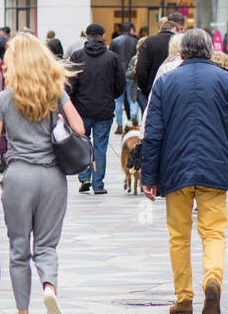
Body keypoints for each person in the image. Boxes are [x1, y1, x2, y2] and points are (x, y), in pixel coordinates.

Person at [140, 29, 228, 314]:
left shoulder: (165, 82)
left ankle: (184, 298)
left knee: (178, 236)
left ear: (181, 53)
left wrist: (148, 175)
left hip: (175, 168)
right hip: (215, 167)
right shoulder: (226, 80)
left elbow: (153, 134)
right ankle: (212, 280)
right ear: (208, 51)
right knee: (213, 232)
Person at [0, 33, 83, 314]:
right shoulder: (55, 92)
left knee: (19, 248)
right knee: (47, 246)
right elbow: (79, 127)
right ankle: (49, 288)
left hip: (19, 176)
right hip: (52, 177)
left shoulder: (3, 99)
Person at [67, 22, 122, 196]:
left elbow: (70, 83)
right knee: (100, 147)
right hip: (104, 110)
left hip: (82, 109)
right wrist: (110, 96)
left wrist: (73, 102)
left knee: (83, 144)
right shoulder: (112, 57)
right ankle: (98, 183)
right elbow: (119, 85)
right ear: (103, 36)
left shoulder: (77, 56)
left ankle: (84, 178)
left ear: (87, 36)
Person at [135, 12, 184, 105]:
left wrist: (147, 90)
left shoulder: (148, 42)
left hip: (153, 90)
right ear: (174, 29)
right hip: (175, 91)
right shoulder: (179, 43)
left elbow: (141, 70)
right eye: (180, 30)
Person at [110, 21, 140, 133]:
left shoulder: (115, 41)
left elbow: (110, 58)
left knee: (118, 101)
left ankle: (119, 125)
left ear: (121, 30)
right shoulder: (135, 41)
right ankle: (133, 115)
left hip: (118, 75)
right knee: (132, 98)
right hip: (131, 74)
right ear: (131, 29)